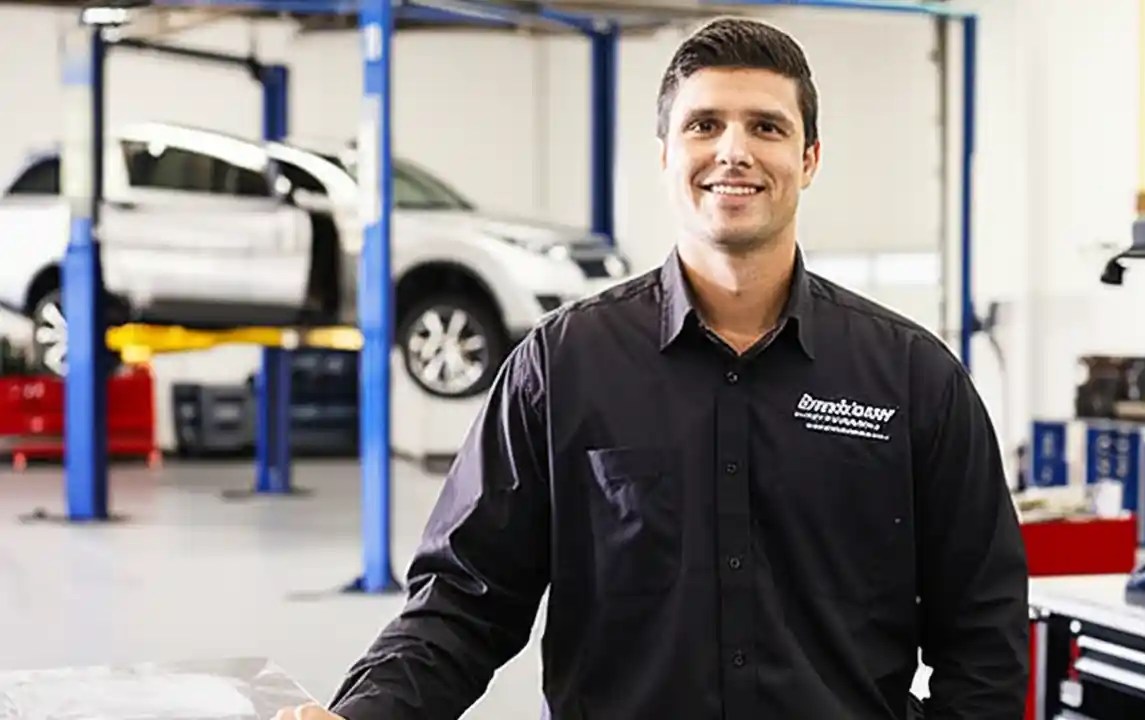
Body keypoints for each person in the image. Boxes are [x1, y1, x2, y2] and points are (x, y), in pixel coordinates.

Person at [276, 16, 1029, 720]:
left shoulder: (912, 378)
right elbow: (464, 600)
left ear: (809, 160)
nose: (733, 150)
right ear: (666, 152)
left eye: (766, 126)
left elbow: (983, 632)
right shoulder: (562, 365)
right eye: (705, 125)